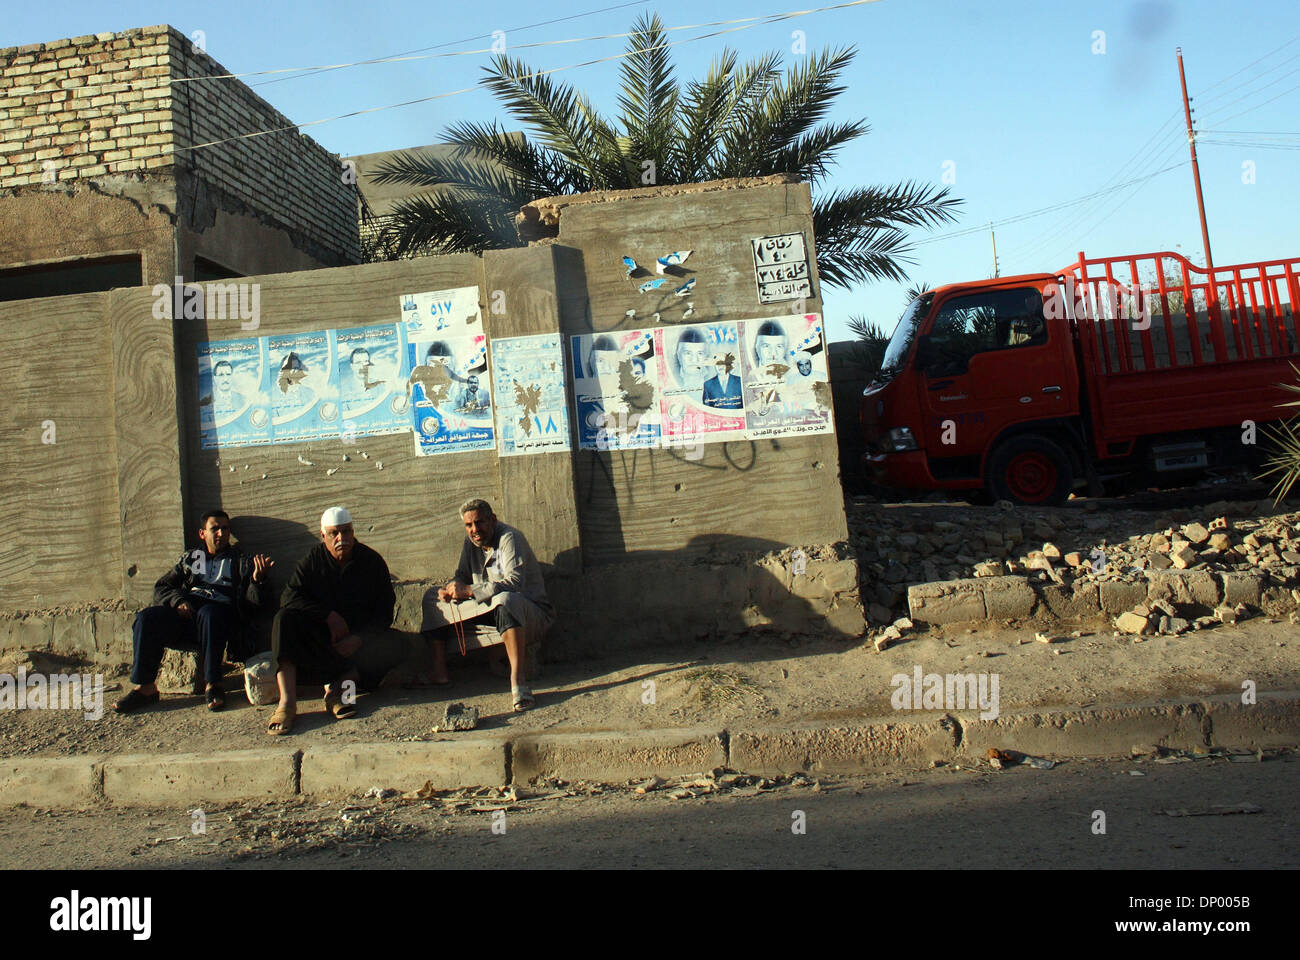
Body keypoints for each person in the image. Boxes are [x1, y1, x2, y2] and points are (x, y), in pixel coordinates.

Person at [114, 510, 272, 714]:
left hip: (219, 618)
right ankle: (145, 688)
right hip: (188, 616)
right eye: (215, 528)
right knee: (147, 617)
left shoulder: (241, 560)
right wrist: (178, 601)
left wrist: (258, 582)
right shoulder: (193, 558)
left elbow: (255, 606)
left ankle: (213, 684)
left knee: (209, 613)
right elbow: (162, 587)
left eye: (225, 529)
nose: (221, 534)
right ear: (202, 533)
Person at [266, 507, 401, 734]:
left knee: (397, 644)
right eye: (334, 534)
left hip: (357, 649)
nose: (342, 539)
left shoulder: (371, 562)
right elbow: (289, 597)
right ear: (323, 536)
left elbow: (384, 613)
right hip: (323, 646)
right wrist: (328, 616)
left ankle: (339, 693)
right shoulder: (312, 561)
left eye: (347, 532)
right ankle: (287, 704)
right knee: (284, 620)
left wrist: (359, 639)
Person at [421, 499, 555, 712]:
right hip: (489, 609)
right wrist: (451, 588)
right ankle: (439, 672)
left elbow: (515, 583)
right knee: (431, 598)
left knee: (506, 600)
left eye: (480, 523)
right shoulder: (471, 543)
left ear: (492, 520)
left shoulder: (510, 538)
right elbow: (461, 576)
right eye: (469, 525)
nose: (475, 530)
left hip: (529, 613)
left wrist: (470, 591)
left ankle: (518, 682)